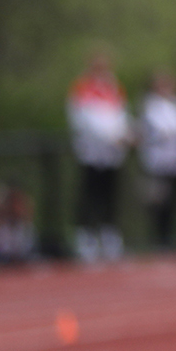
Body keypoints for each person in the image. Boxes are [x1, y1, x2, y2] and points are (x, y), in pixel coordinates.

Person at [68, 50, 132, 263]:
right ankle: (86, 238)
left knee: (110, 194)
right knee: (89, 193)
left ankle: (109, 236)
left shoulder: (114, 87)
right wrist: (110, 136)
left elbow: (122, 115)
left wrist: (126, 134)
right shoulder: (82, 87)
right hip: (92, 151)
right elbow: (83, 120)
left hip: (113, 153)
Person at [137, 70, 176, 251]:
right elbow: (164, 129)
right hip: (158, 163)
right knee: (160, 202)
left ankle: (172, 239)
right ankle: (160, 240)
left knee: (175, 202)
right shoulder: (150, 105)